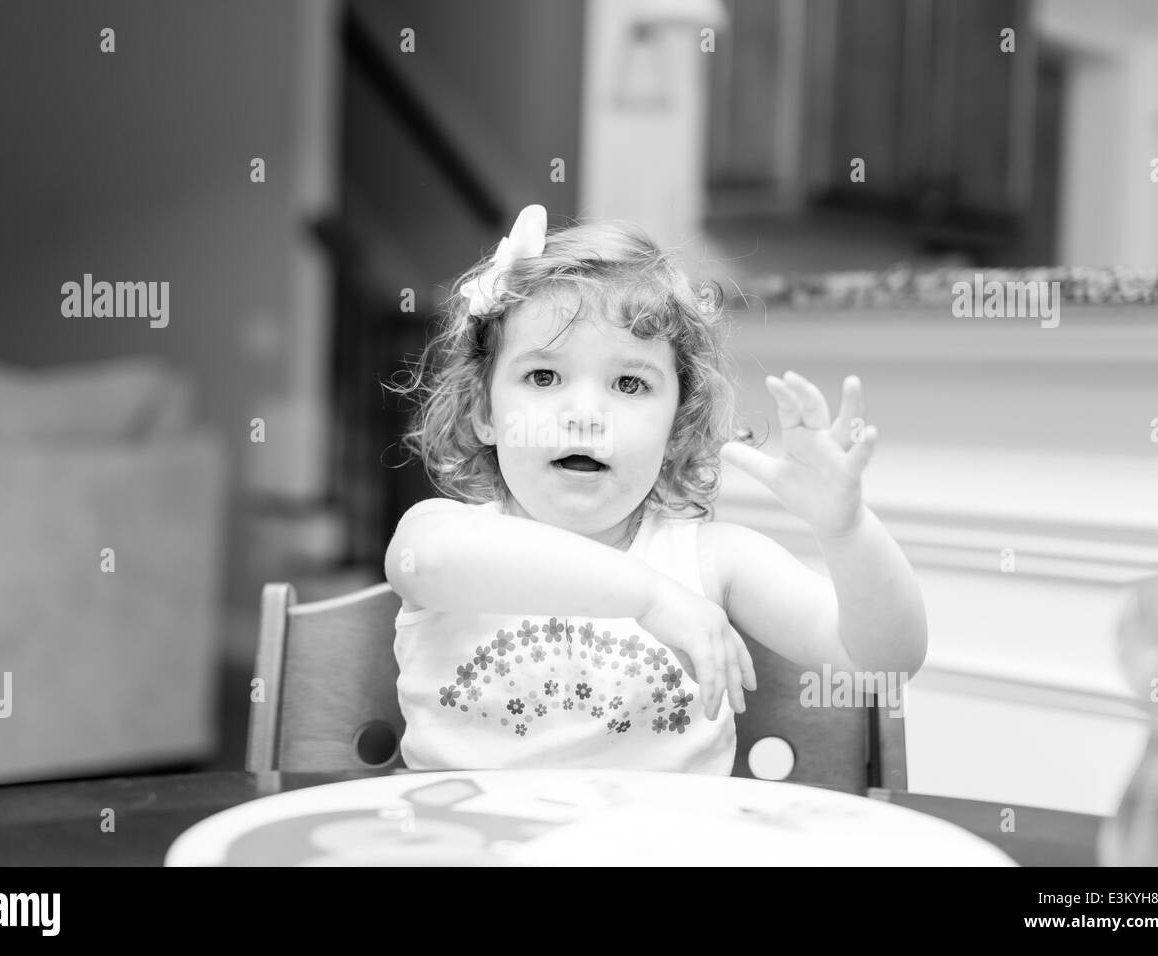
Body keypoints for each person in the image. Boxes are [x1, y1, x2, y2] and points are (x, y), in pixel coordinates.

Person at [383, 204, 926, 775]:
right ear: (483, 413)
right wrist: (651, 599)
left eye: (629, 382)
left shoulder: (714, 561)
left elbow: (880, 666)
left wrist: (847, 530)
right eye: (543, 377)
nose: (586, 414)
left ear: (677, 426)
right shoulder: (444, 533)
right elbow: (428, 563)